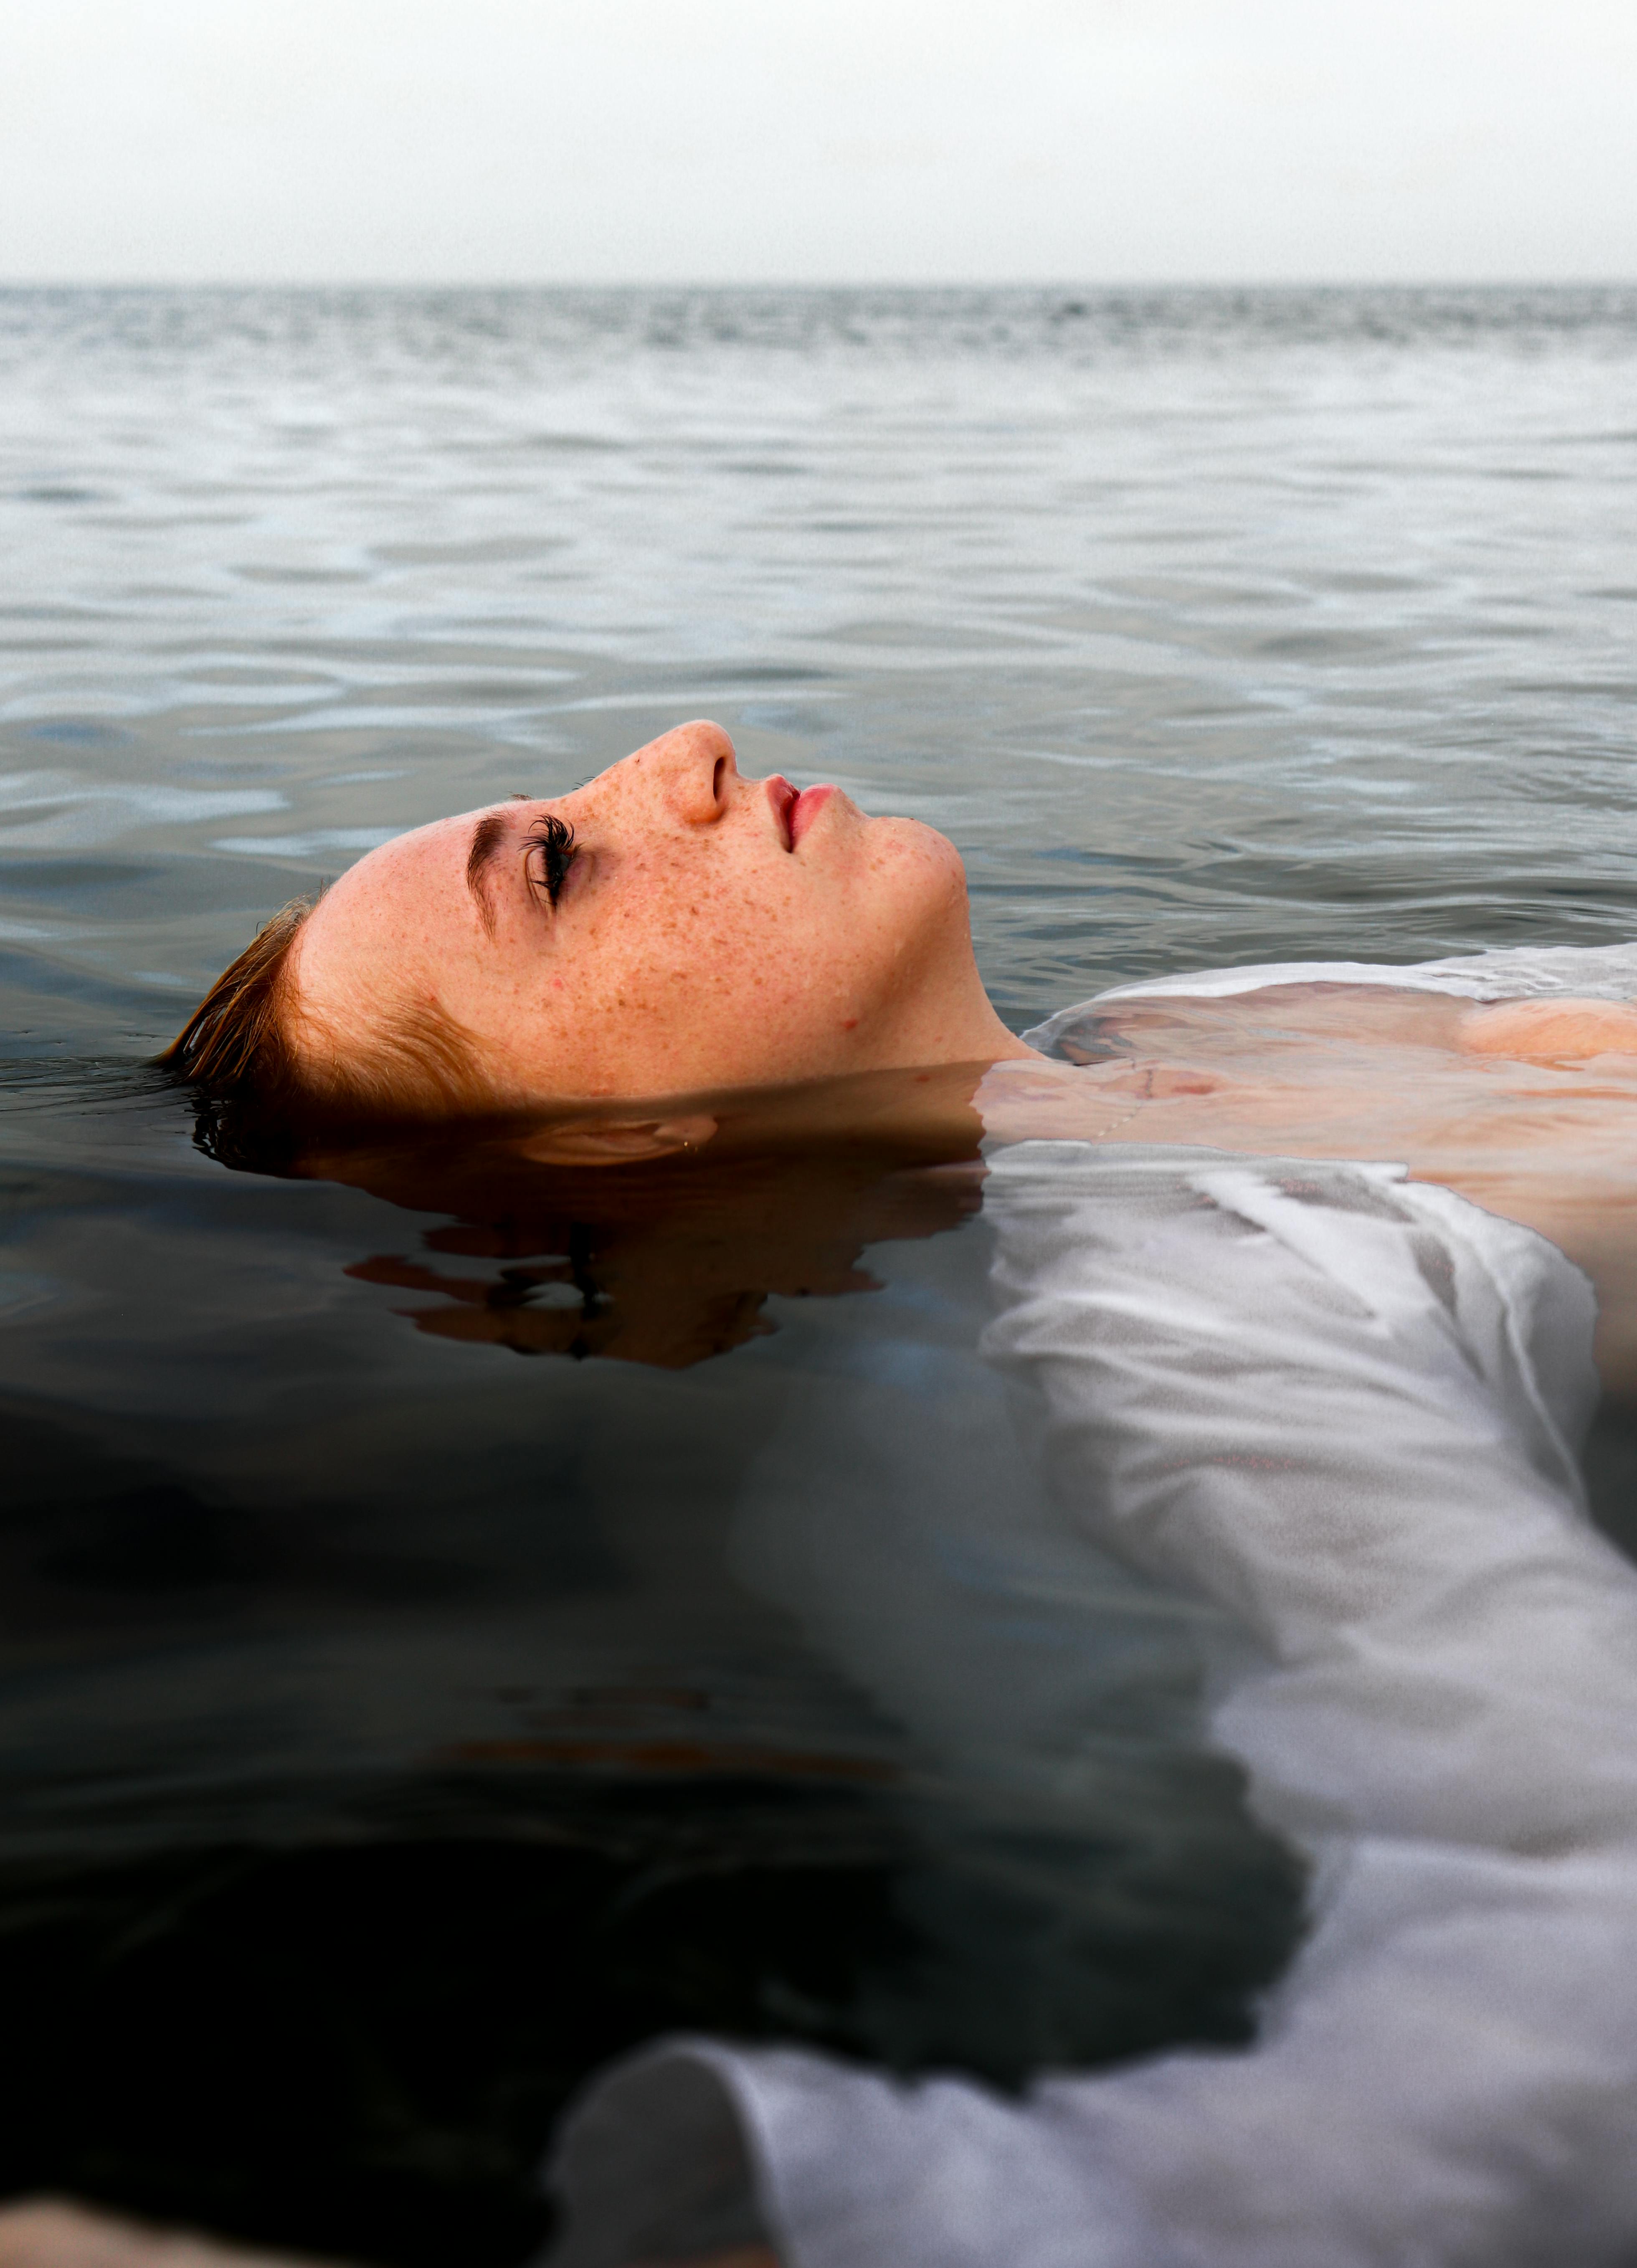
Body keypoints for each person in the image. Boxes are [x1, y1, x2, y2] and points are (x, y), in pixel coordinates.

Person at [121, 722, 1637, 2261]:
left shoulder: (1177, 1020)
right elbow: (1579, 1927)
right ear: (611, 1133)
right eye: (558, 869)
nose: (687, 749)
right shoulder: (1175, 1305)